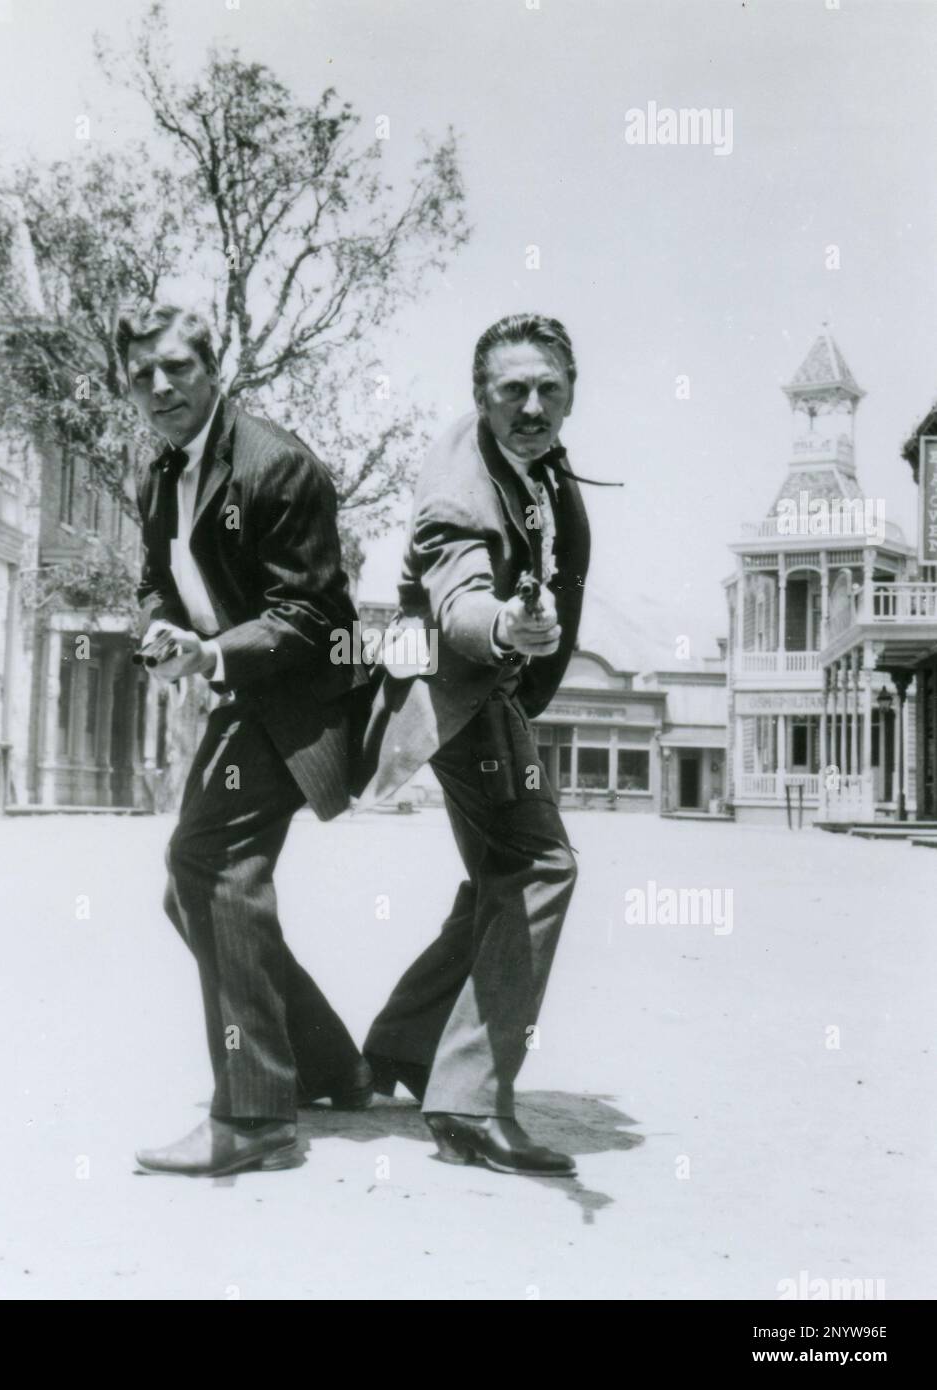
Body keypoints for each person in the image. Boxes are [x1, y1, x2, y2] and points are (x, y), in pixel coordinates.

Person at [122, 302, 371, 1178]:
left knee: (211, 870)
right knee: (188, 891)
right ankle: (331, 1067)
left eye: (178, 368)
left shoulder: (278, 466)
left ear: (212, 368)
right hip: (243, 699)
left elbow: (314, 616)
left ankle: (257, 1119)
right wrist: (160, 630)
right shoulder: (159, 473)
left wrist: (212, 650)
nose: (161, 387)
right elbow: (156, 580)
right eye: (144, 372)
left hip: (304, 704)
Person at [358, 312, 592, 1176]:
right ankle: (465, 1103)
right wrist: (506, 626)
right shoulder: (459, 486)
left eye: (548, 389)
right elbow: (459, 597)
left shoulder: (527, 454)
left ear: (570, 391)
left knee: (502, 874)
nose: (531, 406)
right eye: (512, 391)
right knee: (539, 868)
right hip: (457, 691)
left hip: (482, 694)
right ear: (480, 397)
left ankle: (407, 1047)